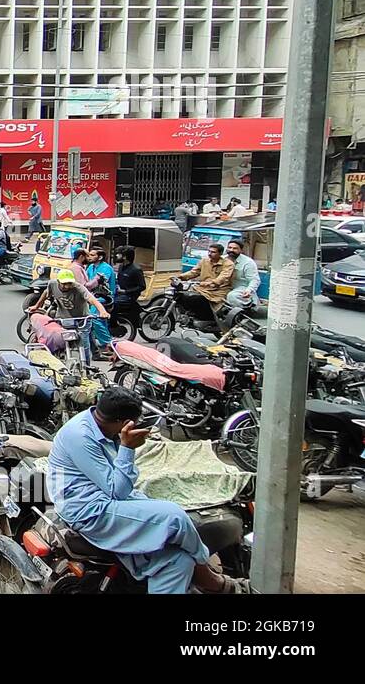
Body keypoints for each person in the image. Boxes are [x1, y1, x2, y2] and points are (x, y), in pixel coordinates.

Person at [47, 386, 249, 594]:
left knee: (178, 561)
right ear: (126, 423)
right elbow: (118, 490)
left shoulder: (99, 425)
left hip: (108, 499)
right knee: (175, 518)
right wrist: (127, 448)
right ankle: (209, 576)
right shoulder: (80, 436)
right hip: (89, 510)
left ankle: (196, 569)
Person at [29, 268, 109, 363]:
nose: (67, 286)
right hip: (63, 319)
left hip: (82, 319)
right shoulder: (52, 284)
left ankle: (86, 367)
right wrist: (37, 306)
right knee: (60, 340)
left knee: (84, 345)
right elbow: (46, 293)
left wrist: (102, 311)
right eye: (64, 284)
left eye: (69, 283)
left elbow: (92, 299)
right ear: (58, 281)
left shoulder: (79, 288)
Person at [175, 243, 235, 324]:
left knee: (198, 300)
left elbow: (224, 276)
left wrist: (212, 282)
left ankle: (208, 319)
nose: (210, 254)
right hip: (202, 288)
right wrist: (180, 277)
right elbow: (194, 272)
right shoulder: (204, 261)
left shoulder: (228, 264)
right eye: (209, 251)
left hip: (218, 290)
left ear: (220, 254)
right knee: (183, 296)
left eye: (213, 252)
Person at [87, 246, 118, 356]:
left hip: (104, 297)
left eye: (92, 255)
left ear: (100, 257)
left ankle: (107, 345)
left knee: (94, 318)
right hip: (92, 296)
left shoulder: (106, 268)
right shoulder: (90, 267)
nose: (89, 257)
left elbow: (97, 282)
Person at [113, 246, 146, 323]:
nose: (117, 256)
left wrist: (125, 291)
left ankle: (114, 325)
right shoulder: (121, 267)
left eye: (119, 254)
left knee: (113, 303)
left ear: (125, 257)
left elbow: (142, 286)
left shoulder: (136, 270)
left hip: (129, 296)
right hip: (119, 293)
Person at [224, 239, 260, 309]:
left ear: (241, 250)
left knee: (232, 296)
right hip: (225, 287)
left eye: (235, 248)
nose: (231, 250)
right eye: (230, 247)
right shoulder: (223, 259)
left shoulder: (248, 262)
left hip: (242, 288)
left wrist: (249, 290)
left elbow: (255, 280)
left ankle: (243, 313)